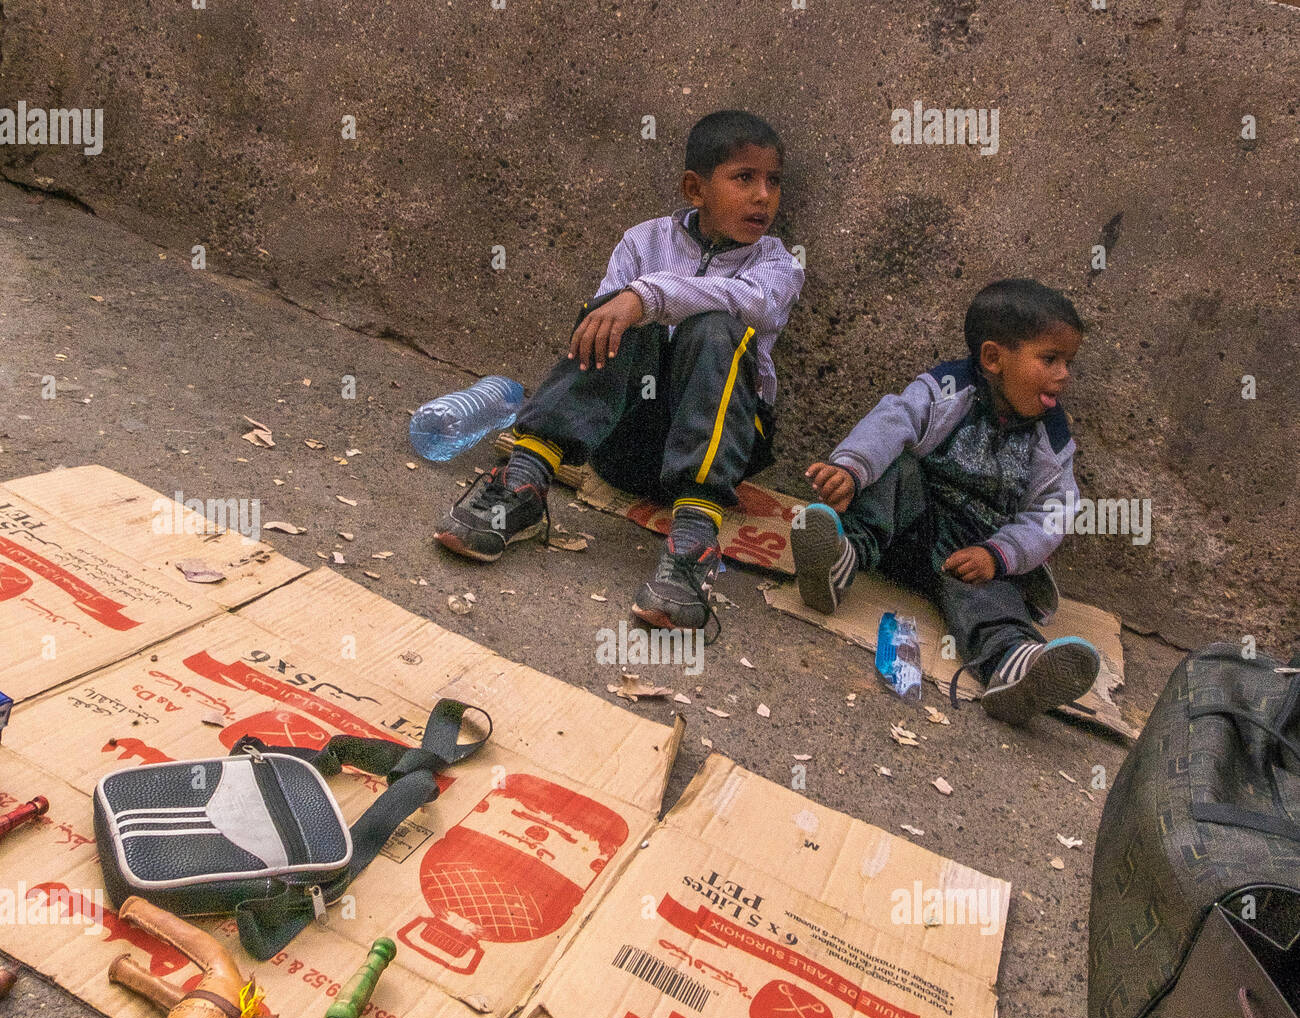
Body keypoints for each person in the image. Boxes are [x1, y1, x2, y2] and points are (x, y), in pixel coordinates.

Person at [434, 109, 804, 635]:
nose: (763, 196)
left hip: (720, 452)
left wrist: (648, 295)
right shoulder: (643, 243)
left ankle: (693, 548)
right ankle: (523, 486)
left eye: (773, 182)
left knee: (714, 327)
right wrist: (629, 305)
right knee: (613, 317)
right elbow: (606, 325)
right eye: (744, 178)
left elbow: (758, 305)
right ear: (695, 189)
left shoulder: (777, 265)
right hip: (624, 444)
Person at [794, 278, 1100, 726]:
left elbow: (1052, 512)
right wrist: (850, 469)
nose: (1064, 375)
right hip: (904, 534)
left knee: (992, 600)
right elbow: (894, 420)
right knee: (899, 468)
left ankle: (1013, 667)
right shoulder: (948, 388)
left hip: (969, 558)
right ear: (993, 358)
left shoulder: (1050, 437)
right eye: (1050, 359)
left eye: (1068, 362)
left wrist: (999, 555)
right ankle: (843, 558)